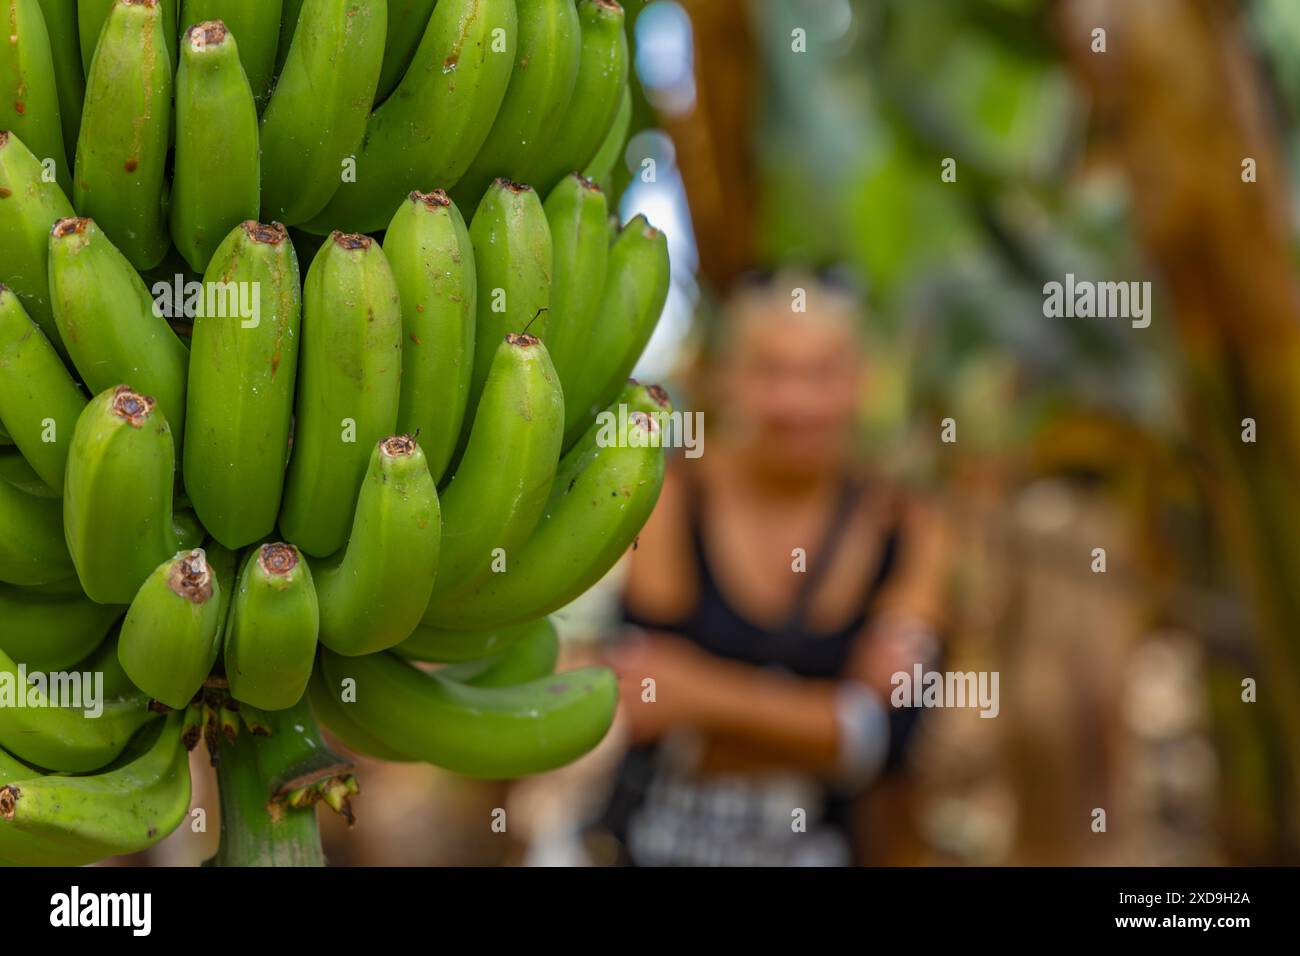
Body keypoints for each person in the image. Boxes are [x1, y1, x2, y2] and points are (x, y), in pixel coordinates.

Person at [591, 272, 949, 866]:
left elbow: (887, 737)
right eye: (770, 372)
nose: (795, 403)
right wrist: (823, 719)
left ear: (862, 384)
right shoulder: (670, 497)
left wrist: (700, 694)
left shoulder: (910, 527)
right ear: (729, 381)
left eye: (821, 374)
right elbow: (645, 702)